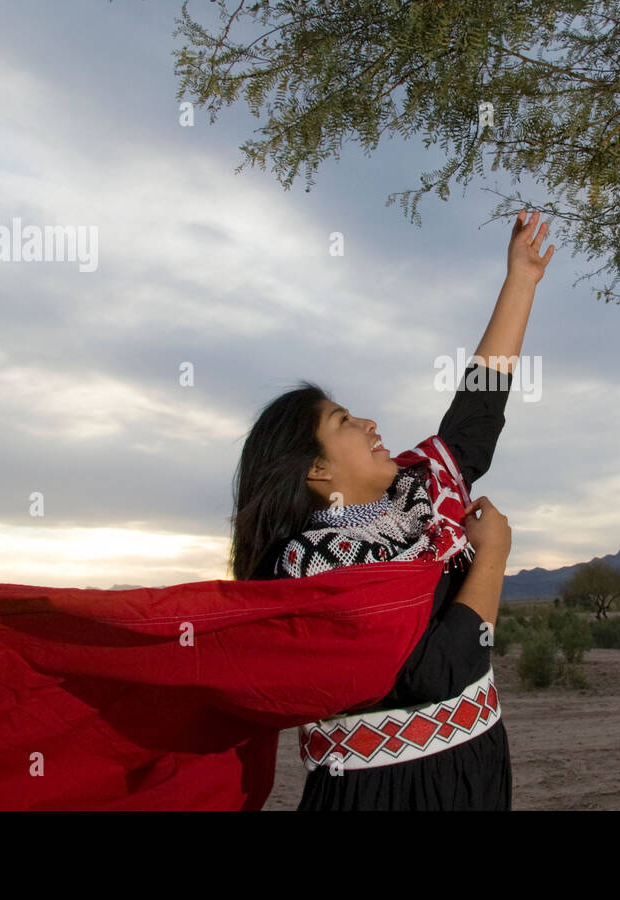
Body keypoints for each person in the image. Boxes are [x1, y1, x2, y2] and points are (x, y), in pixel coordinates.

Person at [228, 208, 554, 809]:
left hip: (477, 768)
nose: (370, 423)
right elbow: (440, 671)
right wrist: (493, 558)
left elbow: (477, 414)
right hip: (387, 793)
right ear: (317, 470)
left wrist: (520, 281)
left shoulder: (415, 494)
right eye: (344, 422)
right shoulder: (308, 571)